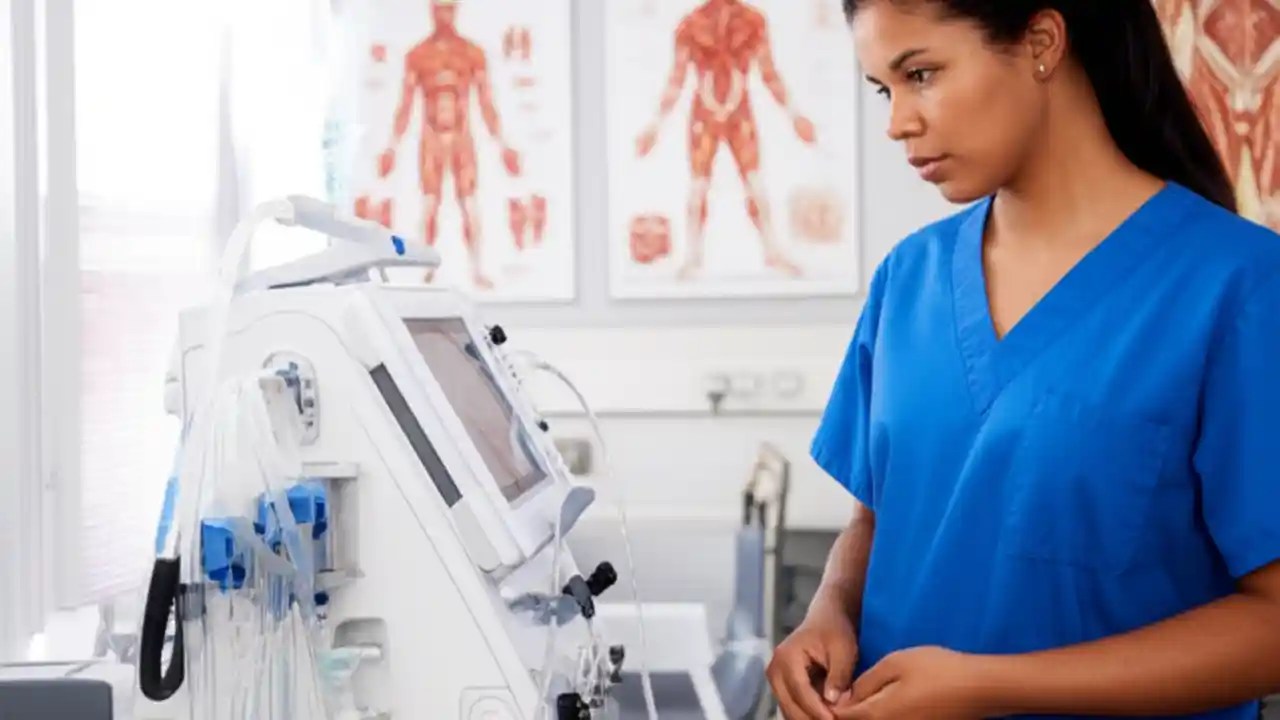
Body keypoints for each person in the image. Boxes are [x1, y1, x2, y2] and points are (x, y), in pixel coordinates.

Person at [766, 2, 1280, 719]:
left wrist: (990, 686)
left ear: (1041, 42)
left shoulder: (1240, 287)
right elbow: (878, 521)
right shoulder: (907, 279)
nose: (897, 122)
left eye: (922, 74)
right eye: (885, 89)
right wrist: (829, 612)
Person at [635, 0, 818, 280]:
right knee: (699, 186)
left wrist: (795, 115)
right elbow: (677, 78)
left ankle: (771, 250)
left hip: (737, 112)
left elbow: (768, 72)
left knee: (754, 182)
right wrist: (655, 125)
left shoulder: (751, 22)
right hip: (706, 114)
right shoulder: (691, 25)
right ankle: (693, 256)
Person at [378, 0, 521, 290]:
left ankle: (476, 269)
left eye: (448, 8)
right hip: (431, 138)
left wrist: (503, 145)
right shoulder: (419, 54)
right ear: (431, 10)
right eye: (438, 8)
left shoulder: (471, 53)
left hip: (461, 138)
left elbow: (486, 102)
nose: (443, 15)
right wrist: (392, 147)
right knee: (430, 204)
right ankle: (426, 270)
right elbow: (405, 104)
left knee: (469, 203)